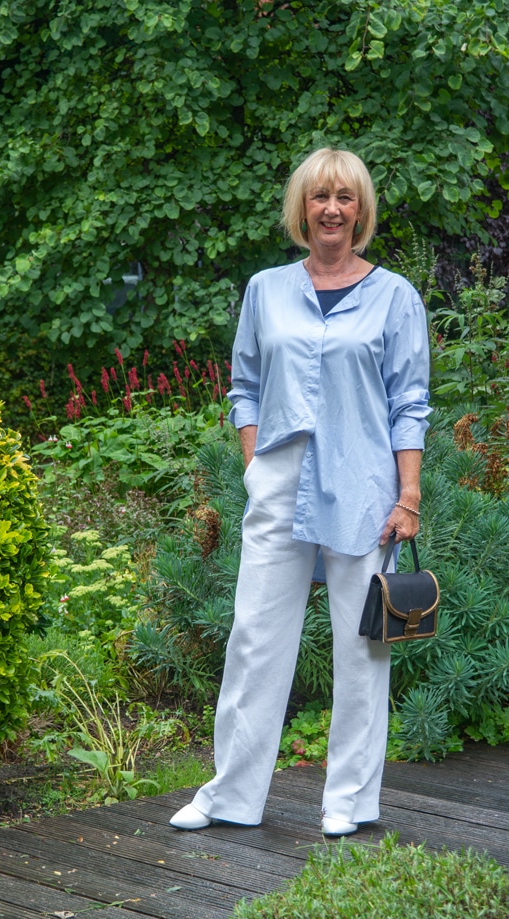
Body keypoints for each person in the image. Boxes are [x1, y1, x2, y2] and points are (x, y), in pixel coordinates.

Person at [170, 147, 431, 837]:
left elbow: (410, 403)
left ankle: (346, 800)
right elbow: (245, 387)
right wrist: (256, 465)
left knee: (360, 644)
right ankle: (230, 793)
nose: (331, 209)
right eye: (319, 196)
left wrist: (406, 496)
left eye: (344, 197)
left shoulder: (394, 297)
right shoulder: (265, 289)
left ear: (360, 210)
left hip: (364, 488)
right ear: (301, 208)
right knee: (254, 635)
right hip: (280, 483)